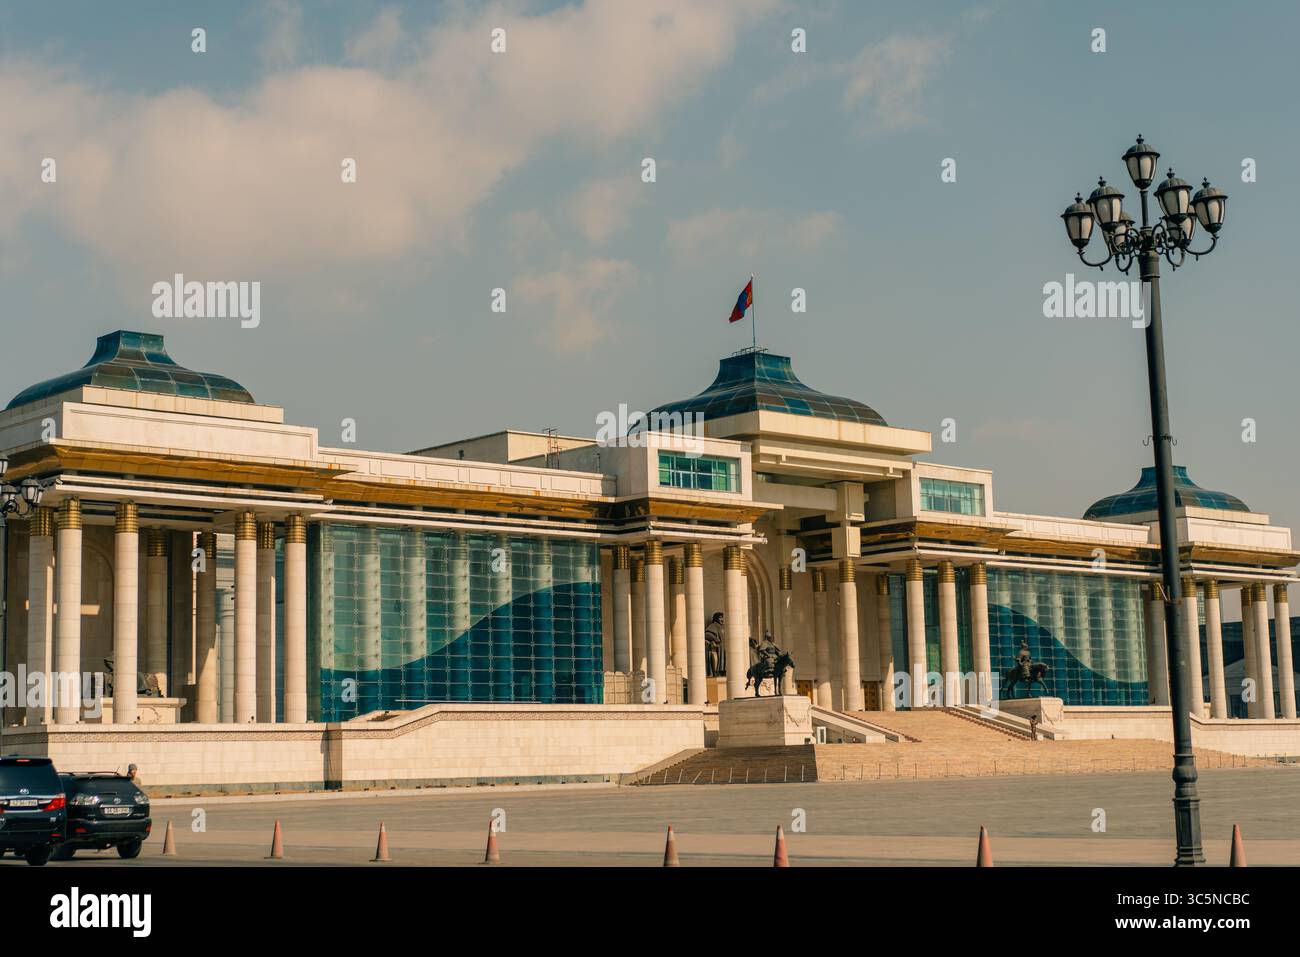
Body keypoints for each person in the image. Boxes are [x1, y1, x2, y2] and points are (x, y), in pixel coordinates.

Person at [704, 612, 725, 677]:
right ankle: (720, 670)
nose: (722, 619)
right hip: (719, 646)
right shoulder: (713, 625)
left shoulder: (724, 627)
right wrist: (715, 639)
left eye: (722, 618)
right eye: (720, 618)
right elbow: (707, 634)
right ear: (716, 619)